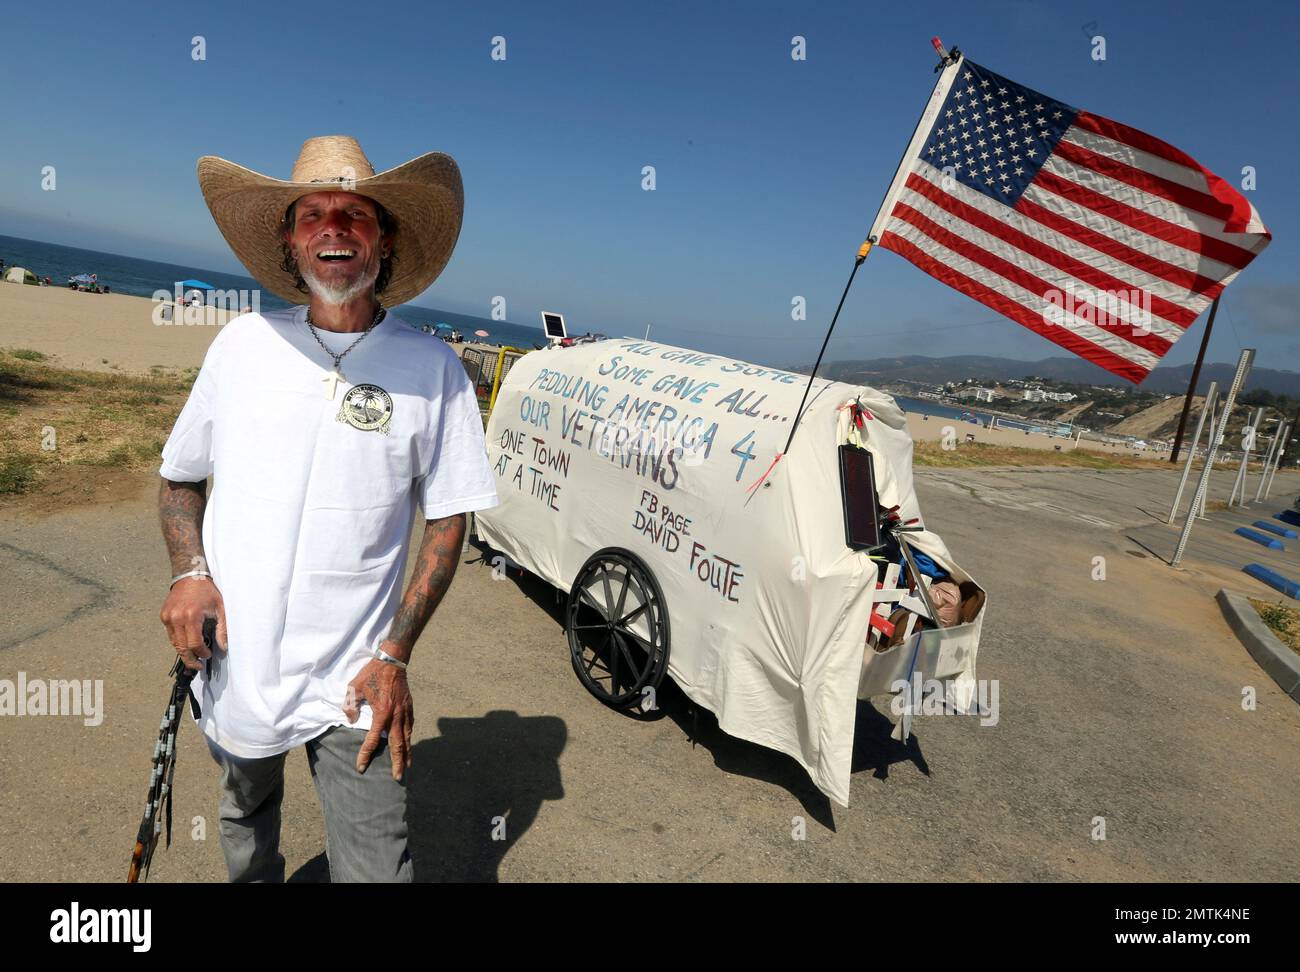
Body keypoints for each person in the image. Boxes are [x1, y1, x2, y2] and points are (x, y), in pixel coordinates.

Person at [157, 135, 498, 883]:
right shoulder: (242, 344)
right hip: (237, 657)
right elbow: (181, 477)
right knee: (246, 824)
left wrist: (396, 654)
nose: (332, 228)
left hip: (359, 676)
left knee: (378, 868)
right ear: (289, 239)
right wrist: (189, 572)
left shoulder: (435, 369)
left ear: (385, 238)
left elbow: (449, 519)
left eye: (355, 214)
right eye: (312, 214)